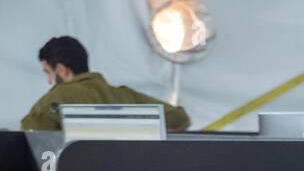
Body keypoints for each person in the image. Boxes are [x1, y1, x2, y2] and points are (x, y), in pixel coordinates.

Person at [21, 36, 190, 132]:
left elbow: (32, 136)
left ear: (61, 70)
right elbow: (179, 118)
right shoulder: (126, 96)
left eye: (48, 73)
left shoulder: (55, 99)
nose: (49, 81)